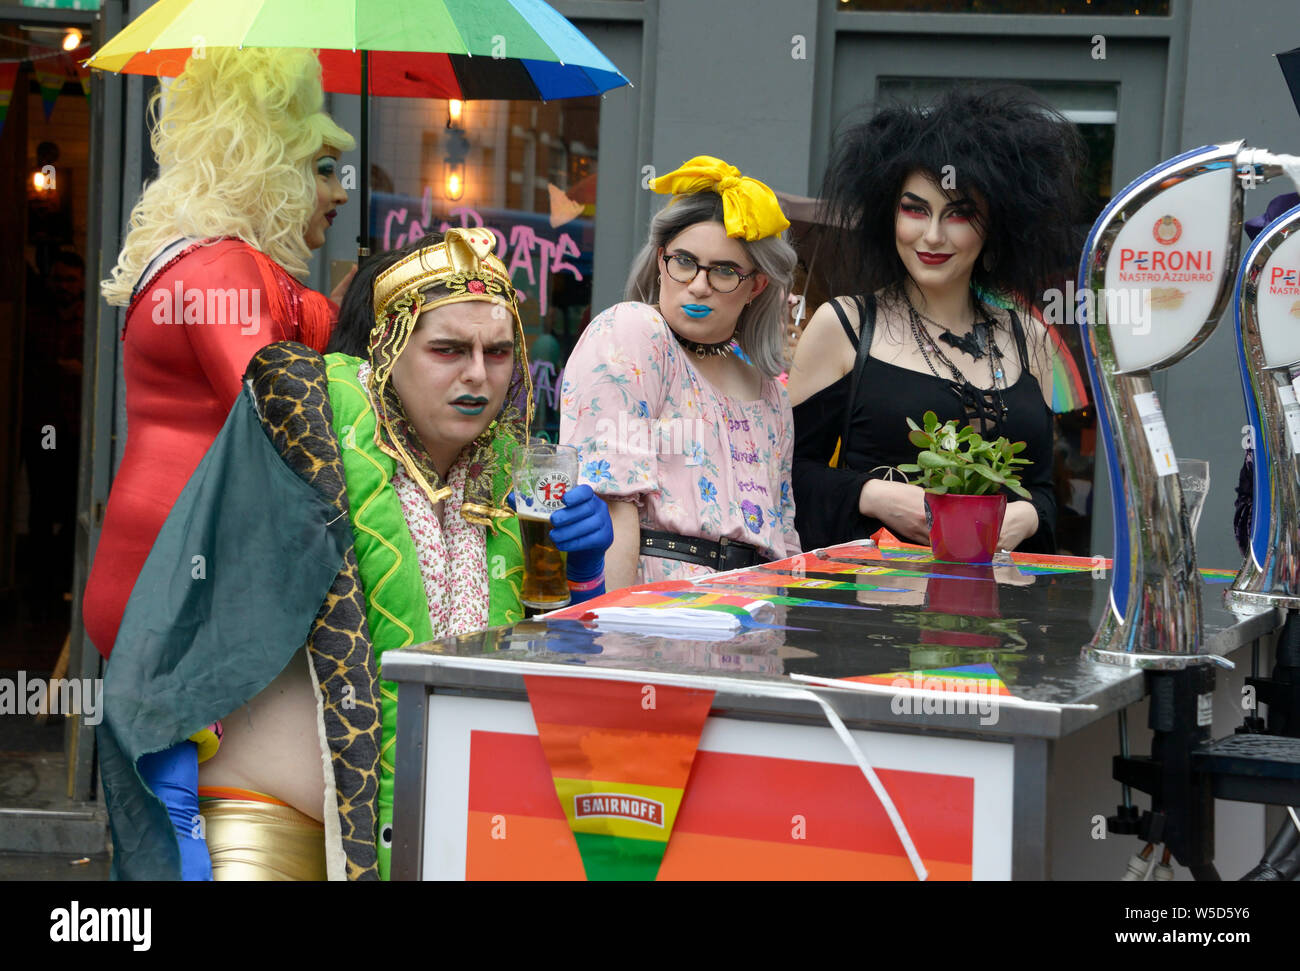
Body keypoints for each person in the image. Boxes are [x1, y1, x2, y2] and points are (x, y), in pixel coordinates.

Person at [99, 228, 613, 881]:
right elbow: (189, 631)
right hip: (269, 826)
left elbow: (570, 680)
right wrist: (179, 826)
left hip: (448, 839)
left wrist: (587, 574)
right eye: (448, 349)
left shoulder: (521, 473)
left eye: (498, 351)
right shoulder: (305, 438)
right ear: (387, 349)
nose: (478, 375)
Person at [84, 48, 355, 662]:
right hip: (180, 593)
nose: (339, 193)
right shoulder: (222, 268)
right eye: (323, 169)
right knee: (192, 758)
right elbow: (277, 418)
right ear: (271, 170)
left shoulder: (224, 264)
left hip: (191, 577)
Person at [787, 87, 1085, 554]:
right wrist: (875, 495)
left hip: (999, 607)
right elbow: (784, 474)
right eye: (915, 209)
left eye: (959, 214)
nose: (932, 235)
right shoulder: (843, 325)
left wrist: (1026, 516)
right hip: (869, 609)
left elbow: (1044, 491)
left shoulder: (1030, 337)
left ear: (996, 224)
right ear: (890, 214)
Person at [561, 156, 801, 589]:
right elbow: (612, 503)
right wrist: (609, 645)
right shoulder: (635, 334)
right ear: (660, 259)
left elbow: (784, 536)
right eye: (684, 261)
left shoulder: (771, 394)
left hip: (758, 620)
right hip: (661, 616)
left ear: (757, 286)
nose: (699, 284)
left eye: (725, 270)